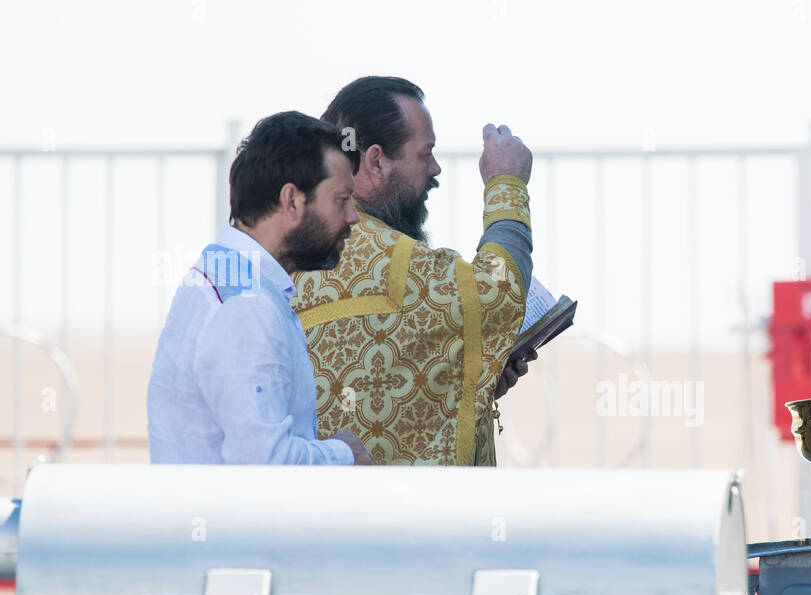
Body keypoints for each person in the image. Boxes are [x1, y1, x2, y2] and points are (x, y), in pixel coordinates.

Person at [291, 76, 533, 466]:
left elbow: (376, 375)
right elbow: (496, 291)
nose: (435, 168)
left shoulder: (292, 244)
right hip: (398, 519)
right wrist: (507, 184)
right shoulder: (390, 256)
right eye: (425, 154)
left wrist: (467, 374)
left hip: (311, 514)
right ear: (375, 160)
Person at [147, 112, 373, 466]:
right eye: (341, 200)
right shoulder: (245, 306)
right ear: (292, 201)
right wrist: (345, 455)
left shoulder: (233, 279)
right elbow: (264, 464)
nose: (352, 218)